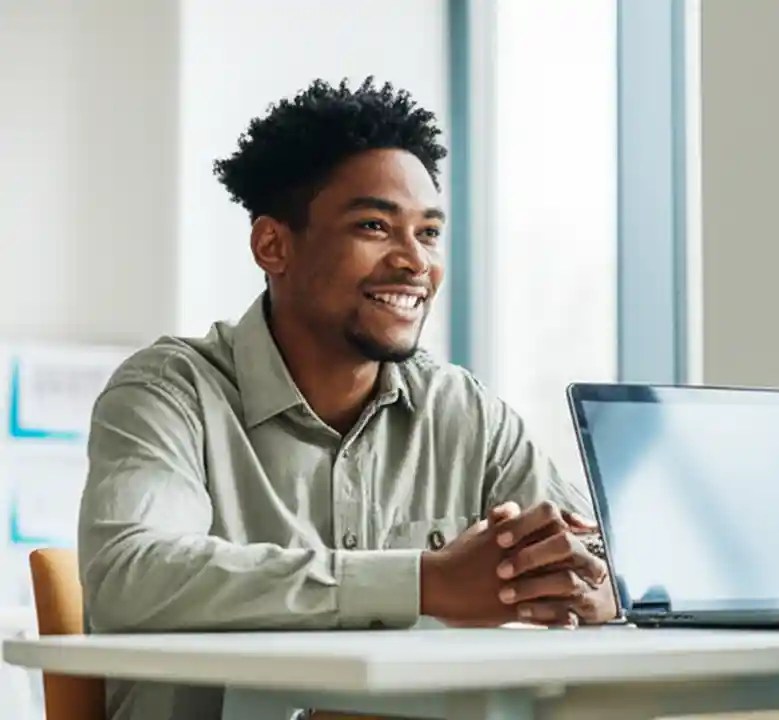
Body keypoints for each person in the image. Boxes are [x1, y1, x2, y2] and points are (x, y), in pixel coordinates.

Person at [77, 77, 616, 720]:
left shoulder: (461, 410)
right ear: (273, 245)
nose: (415, 262)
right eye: (374, 225)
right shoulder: (169, 393)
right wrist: (423, 581)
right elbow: (131, 576)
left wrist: (588, 587)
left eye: (429, 233)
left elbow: (599, 558)